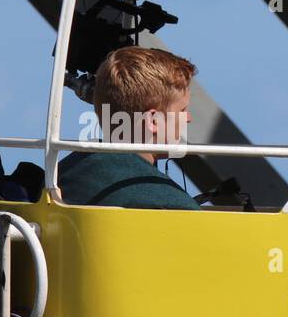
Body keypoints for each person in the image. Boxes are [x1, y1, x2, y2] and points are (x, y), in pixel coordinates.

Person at [57, 47, 201, 210]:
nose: (189, 118)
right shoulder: (173, 205)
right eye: (182, 110)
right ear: (153, 121)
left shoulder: (58, 178)